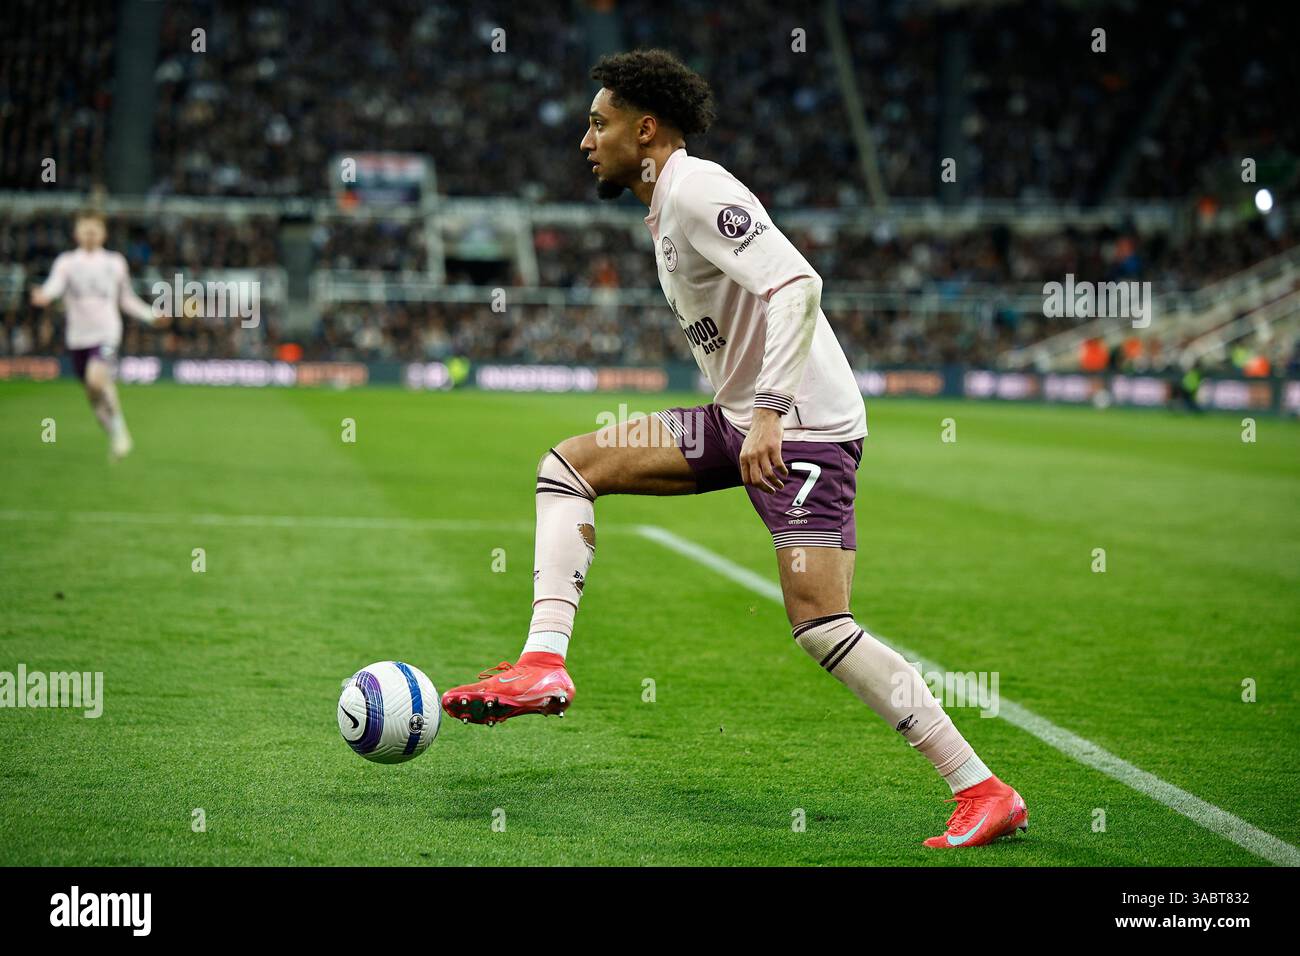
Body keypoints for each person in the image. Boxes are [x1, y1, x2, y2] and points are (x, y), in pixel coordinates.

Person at [441, 50, 1027, 848]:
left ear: (645, 131)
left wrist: (773, 413)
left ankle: (983, 788)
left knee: (821, 623)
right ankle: (543, 662)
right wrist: (752, 412)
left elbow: (798, 285)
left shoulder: (697, 188)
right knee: (570, 466)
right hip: (740, 417)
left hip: (802, 428)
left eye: (599, 123)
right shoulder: (665, 205)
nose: (586, 139)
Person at [29, 210, 167, 460]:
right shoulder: (67, 262)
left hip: (106, 333)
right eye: (85, 229)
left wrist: (150, 315)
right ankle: (117, 433)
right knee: (93, 395)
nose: (90, 234)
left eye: (94, 229)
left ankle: (120, 429)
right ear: (76, 232)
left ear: (103, 233)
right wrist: (45, 295)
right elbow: (54, 285)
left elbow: (126, 299)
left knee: (96, 379)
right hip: (78, 337)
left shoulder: (115, 263)